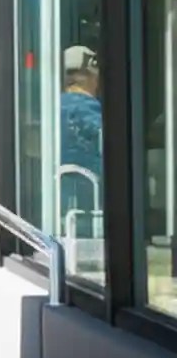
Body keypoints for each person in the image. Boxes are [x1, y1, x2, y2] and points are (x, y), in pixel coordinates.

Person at [60, 45, 102, 238]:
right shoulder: (95, 111)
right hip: (94, 207)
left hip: (59, 207)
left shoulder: (51, 109)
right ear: (92, 77)